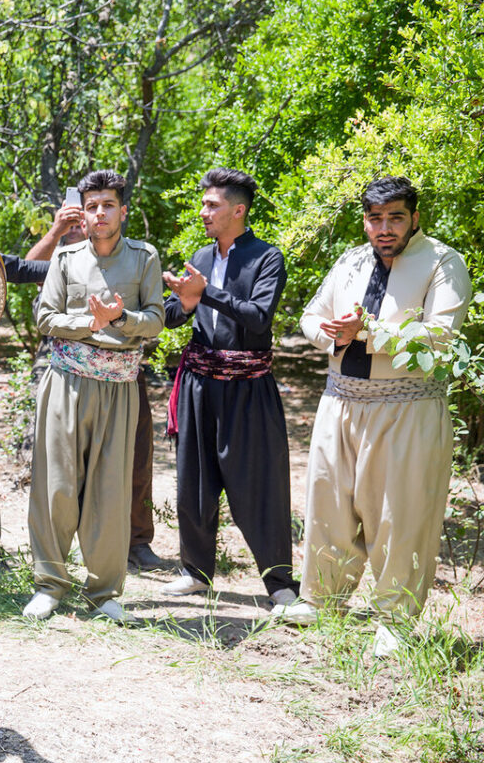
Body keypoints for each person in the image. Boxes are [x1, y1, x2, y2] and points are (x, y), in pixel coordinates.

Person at [278, 176, 470, 656]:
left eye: (395, 217)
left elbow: (440, 337)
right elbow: (309, 317)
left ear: (415, 218)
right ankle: (322, 602)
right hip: (340, 399)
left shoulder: (443, 262)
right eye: (375, 218)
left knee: (400, 514)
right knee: (327, 502)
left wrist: (366, 332)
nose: (383, 228)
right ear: (364, 220)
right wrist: (333, 336)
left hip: (407, 406)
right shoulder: (350, 261)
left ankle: (395, 619)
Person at [23, 169, 164, 622]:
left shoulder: (144, 259)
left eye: (107, 205)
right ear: (81, 213)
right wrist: (90, 323)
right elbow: (45, 317)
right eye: (91, 206)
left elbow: (157, 319)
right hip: (66, 382)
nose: (99, 213)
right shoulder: (66, 259)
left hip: (120, 387)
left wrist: (121, 320)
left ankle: (103, 593)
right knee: (56, 485)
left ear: (122, 210)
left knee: (110, 489)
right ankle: (49, 585)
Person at [161, 168, 299, 606]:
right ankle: (195, 572)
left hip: (248, 389)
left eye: (212, 205)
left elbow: (258, 317)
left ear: (238, 210)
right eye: (203, 204)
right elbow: (174, 314)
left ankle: (279, 585)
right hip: (199, 385)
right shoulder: (199, 258)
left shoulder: (266, 257)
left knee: (259, 484)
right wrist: (184, 302)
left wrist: (207, 293)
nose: (203, 211)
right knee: (194, 483)